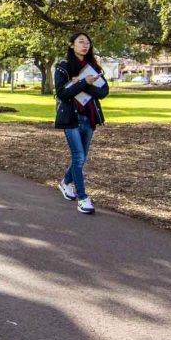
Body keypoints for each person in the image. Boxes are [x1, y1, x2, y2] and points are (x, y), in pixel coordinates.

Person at [52, 32, 108, 215]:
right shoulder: (63, 67)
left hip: (89, 117)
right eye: (81, 42)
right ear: (71, 45)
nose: (85, 45)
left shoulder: (94, 67)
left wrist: (83, 83)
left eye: (88, 42)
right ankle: (83, 198)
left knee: (81, 158)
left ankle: (65, 183)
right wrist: (83, 82)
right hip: (71, 118)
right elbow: (62, 93)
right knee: (78, 157)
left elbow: (103, 92)